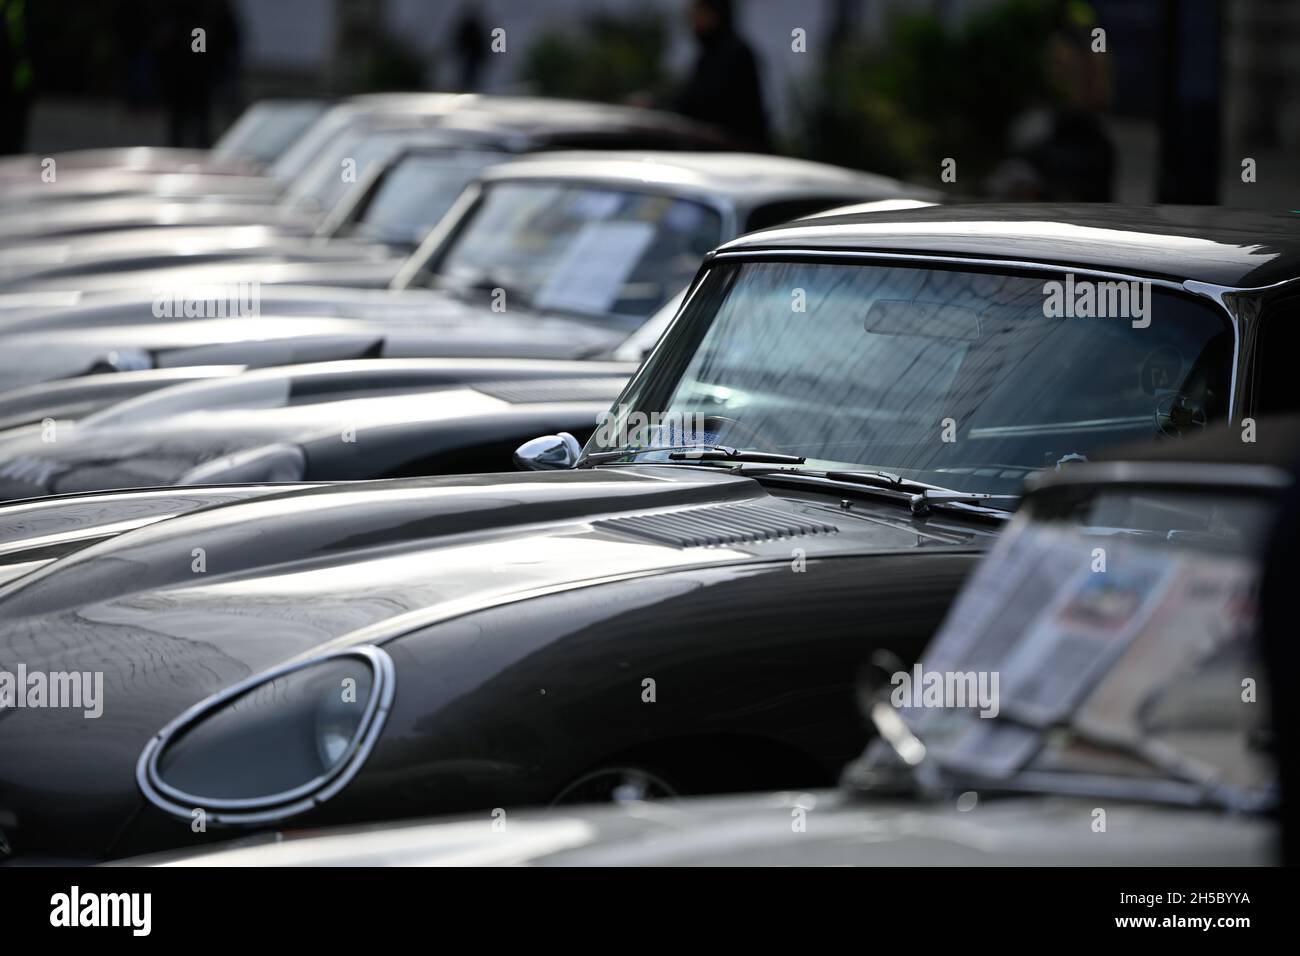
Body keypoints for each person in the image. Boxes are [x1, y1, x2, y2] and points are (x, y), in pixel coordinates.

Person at [673, 0, 769, 150]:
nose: (692, 19)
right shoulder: (708, 55)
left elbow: (705, 102)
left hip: (735, 151)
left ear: (714, 14)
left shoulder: (734, 53)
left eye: (698, 12)